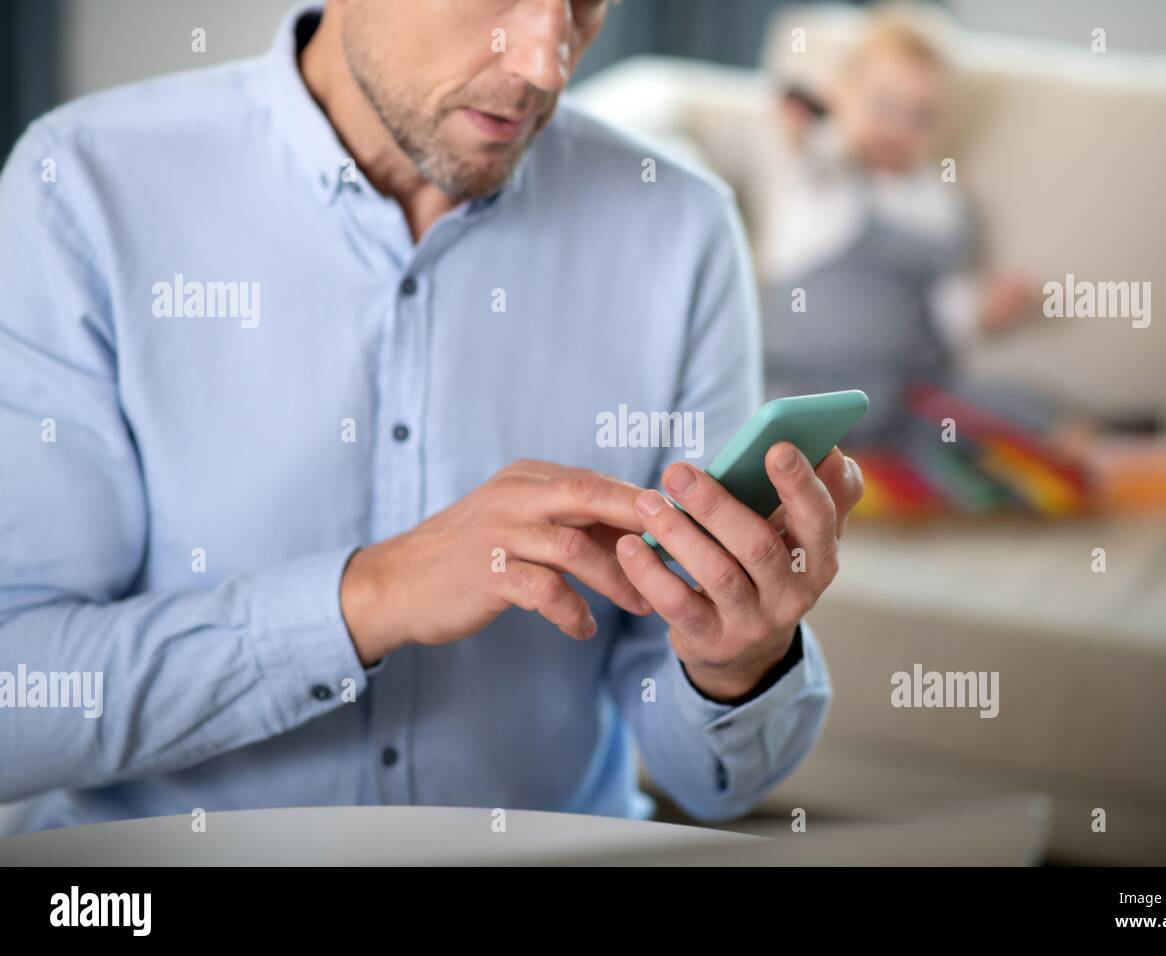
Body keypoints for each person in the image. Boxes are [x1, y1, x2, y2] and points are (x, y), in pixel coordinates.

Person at [0, 0, 862, 832]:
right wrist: (371, 597)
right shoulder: (83, 189)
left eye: (587, 1)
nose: (543, 62)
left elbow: (707, 781)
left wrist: (735, 664)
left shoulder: (681, 228)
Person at [754, 6, 1037, 448]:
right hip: (800, 381)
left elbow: (947, 307)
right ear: (839, 97)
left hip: (901, 390)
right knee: (763, 430)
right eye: (882, 106)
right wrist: (798, 134)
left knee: (1011, 415)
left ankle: (1095, 445)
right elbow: (800, 170)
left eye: (921, 117)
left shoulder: (940, 204)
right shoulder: (822, 177)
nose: (898, 128)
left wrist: (985, 310)